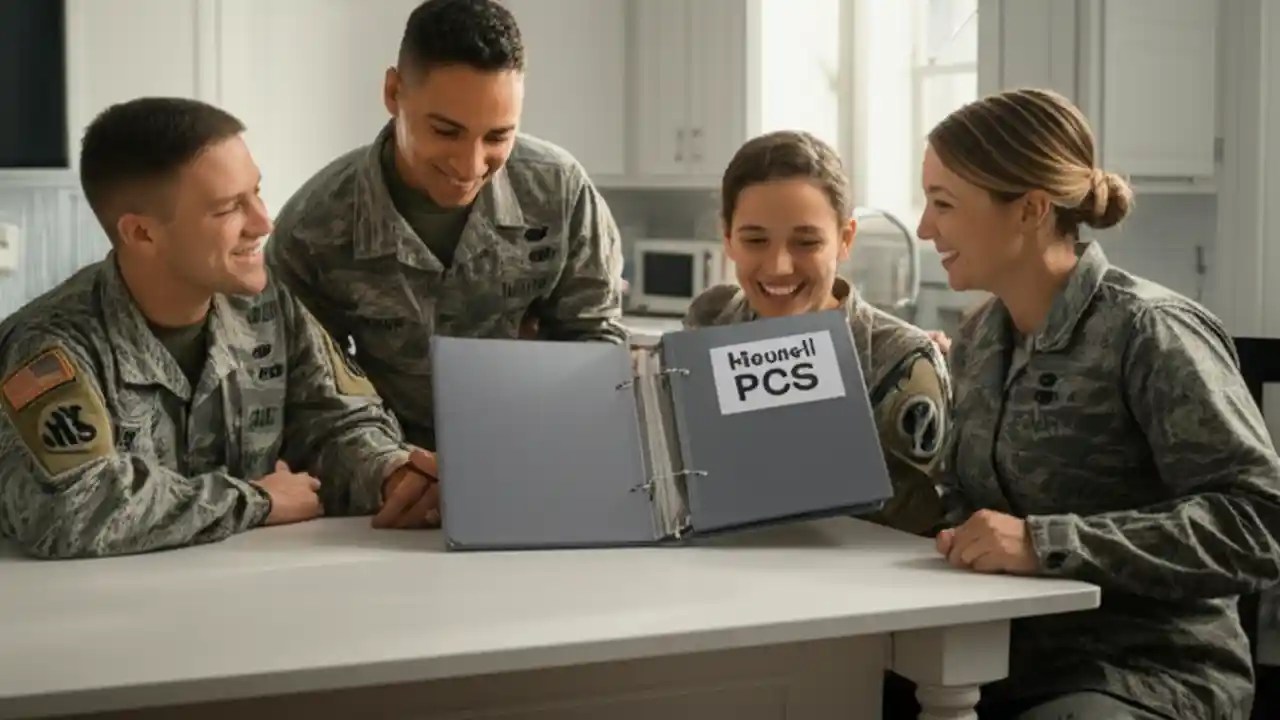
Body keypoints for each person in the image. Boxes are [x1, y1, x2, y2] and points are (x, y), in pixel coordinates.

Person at [912, 87, 1280, 720]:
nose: (924, 227)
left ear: (1029, 209)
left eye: (943, 204)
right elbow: (966, 511)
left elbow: (1259, 526)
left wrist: (1049, 543)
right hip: (991, 662)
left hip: (1145, 675)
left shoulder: (1151, 331)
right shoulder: (976, 339)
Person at [0, 97, 441, 560]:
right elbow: (71, 507)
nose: (263, 222)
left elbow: (339, 423)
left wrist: (392, 473)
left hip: (242, 598)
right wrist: (256, 500)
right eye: (229, 208)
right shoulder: (47, 350)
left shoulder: (268, 310)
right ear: (142, 234)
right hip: (89, 618)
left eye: (256, 192)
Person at [265, 0, 627, 456]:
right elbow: (305, 392)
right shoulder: (314, 226)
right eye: (446, 131)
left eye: (498, 137)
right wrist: (388, 473)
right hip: (385, 474)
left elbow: (595, 346)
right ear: (394, 92)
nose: (471, 165)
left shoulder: (560, 191)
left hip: (537, 452)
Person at [683, 130, 951, 537]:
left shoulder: (900, 361)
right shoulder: (710, 318)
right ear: (728, 240)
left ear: (844, 240)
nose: (778, 266)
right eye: (755, 240)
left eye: (806, 242)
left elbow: (912, 532)